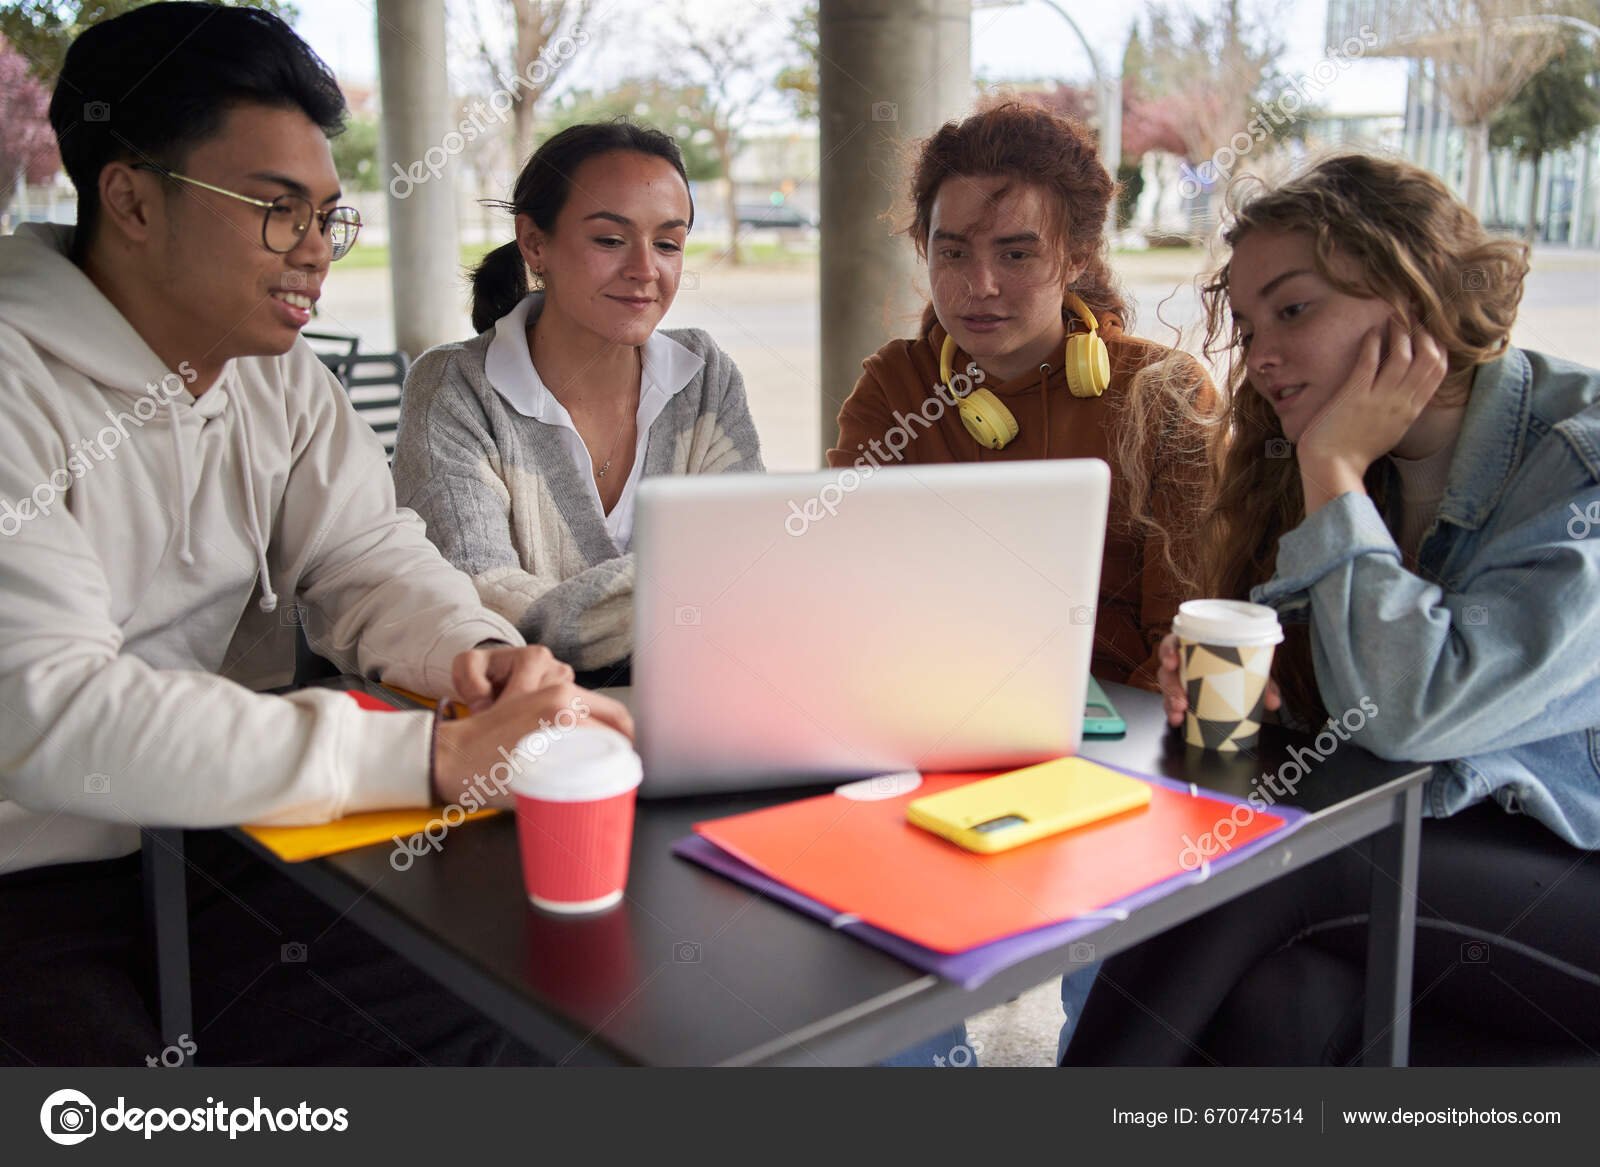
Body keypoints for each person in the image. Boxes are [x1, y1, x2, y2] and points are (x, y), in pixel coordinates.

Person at [0, 2, 629, 1067]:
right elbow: (48, 712)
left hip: (224, 833)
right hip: (32, 880)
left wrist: (473, 657)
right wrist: (427, 756)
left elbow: (365, 559)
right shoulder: (18, 383)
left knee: (539, 1016)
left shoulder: (280, 378)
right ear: (132, 200)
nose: (313, 253)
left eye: (328, 217)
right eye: (274, 209)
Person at [1062, 153, 1600, 1065]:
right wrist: (1271, 684)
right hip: (1441, 856)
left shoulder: (1575, 458)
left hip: (1568, 875)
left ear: (1413, 292)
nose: (1259, 350)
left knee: (1280, 854)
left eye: (1295, 308)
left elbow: (1418, 709)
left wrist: (1336, 472)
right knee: (1282, 998)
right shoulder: (1334, 457)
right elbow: (1347, 723)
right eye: (1247, 319)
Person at [827, 100, 1218, 691]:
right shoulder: (894, 388)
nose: (978, 286)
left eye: (1016, 254)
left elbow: (1187, 638)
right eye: (953, 252)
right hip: (929, 697)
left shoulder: (1165, 394)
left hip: (1119, 724)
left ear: (1077, 257)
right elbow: (850, 596)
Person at [393, 122, 764, 679]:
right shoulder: (455, 387)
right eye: (610, 240)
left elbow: (753, 562)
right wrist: (692, 593)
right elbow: (477, 597)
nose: (645, 269)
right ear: (534, 243)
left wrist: (731, 583)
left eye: (668, 243)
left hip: (702, 703)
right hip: (534, 729)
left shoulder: (703, 377)